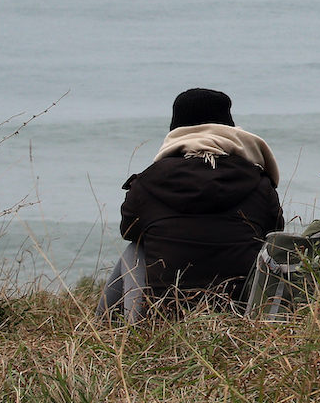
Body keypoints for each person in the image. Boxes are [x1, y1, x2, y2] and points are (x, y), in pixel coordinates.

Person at [98, 88, 284, 319]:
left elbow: (129, 231)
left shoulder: (147, 182)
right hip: (239, 310)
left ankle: (109, 325)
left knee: (135, 248)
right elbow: (274, 233)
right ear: (229, 127)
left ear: (176, 128)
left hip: (166, 314)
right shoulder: (259, 182)